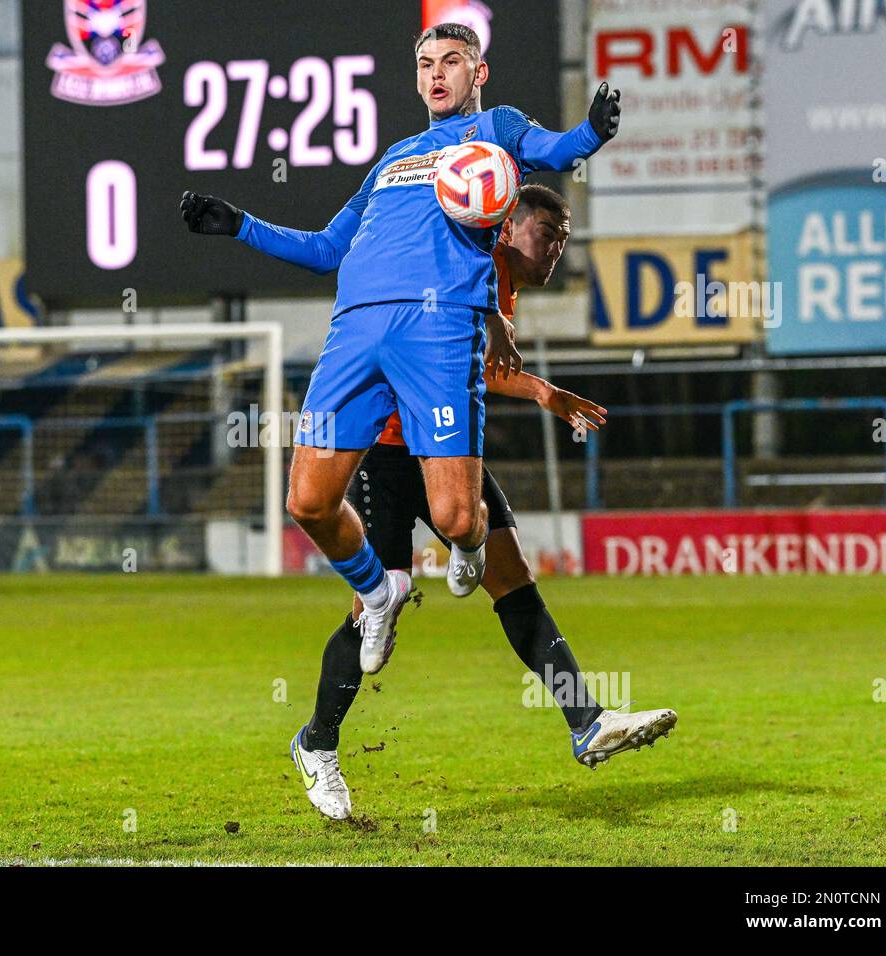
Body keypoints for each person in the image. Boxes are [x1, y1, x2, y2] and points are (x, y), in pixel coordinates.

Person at [181, 22, 624, 676]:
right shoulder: (391, 160)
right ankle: (378, 589)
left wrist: (592, 133)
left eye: (451, 61)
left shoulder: (494, 131)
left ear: (479, 72)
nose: (436, 73)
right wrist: (240, 225)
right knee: (305, 501)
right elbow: (326, 250)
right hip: (355, 328)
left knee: (455, 514)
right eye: (425, 64)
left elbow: (555, 150)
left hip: (433, 330)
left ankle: (468, 544)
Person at [288, 185, 677, 820]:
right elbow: (485, 365)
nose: (556, 249)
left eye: (563, 239)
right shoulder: (478, 265)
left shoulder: (501, 284)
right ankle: (316, 743)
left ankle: (587, 721)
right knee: (377, 609)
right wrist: (546, 394)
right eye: (547, 234)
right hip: (390, 452)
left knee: (514, 581)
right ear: (509, 227)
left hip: (443, 453)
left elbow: (475, 363)